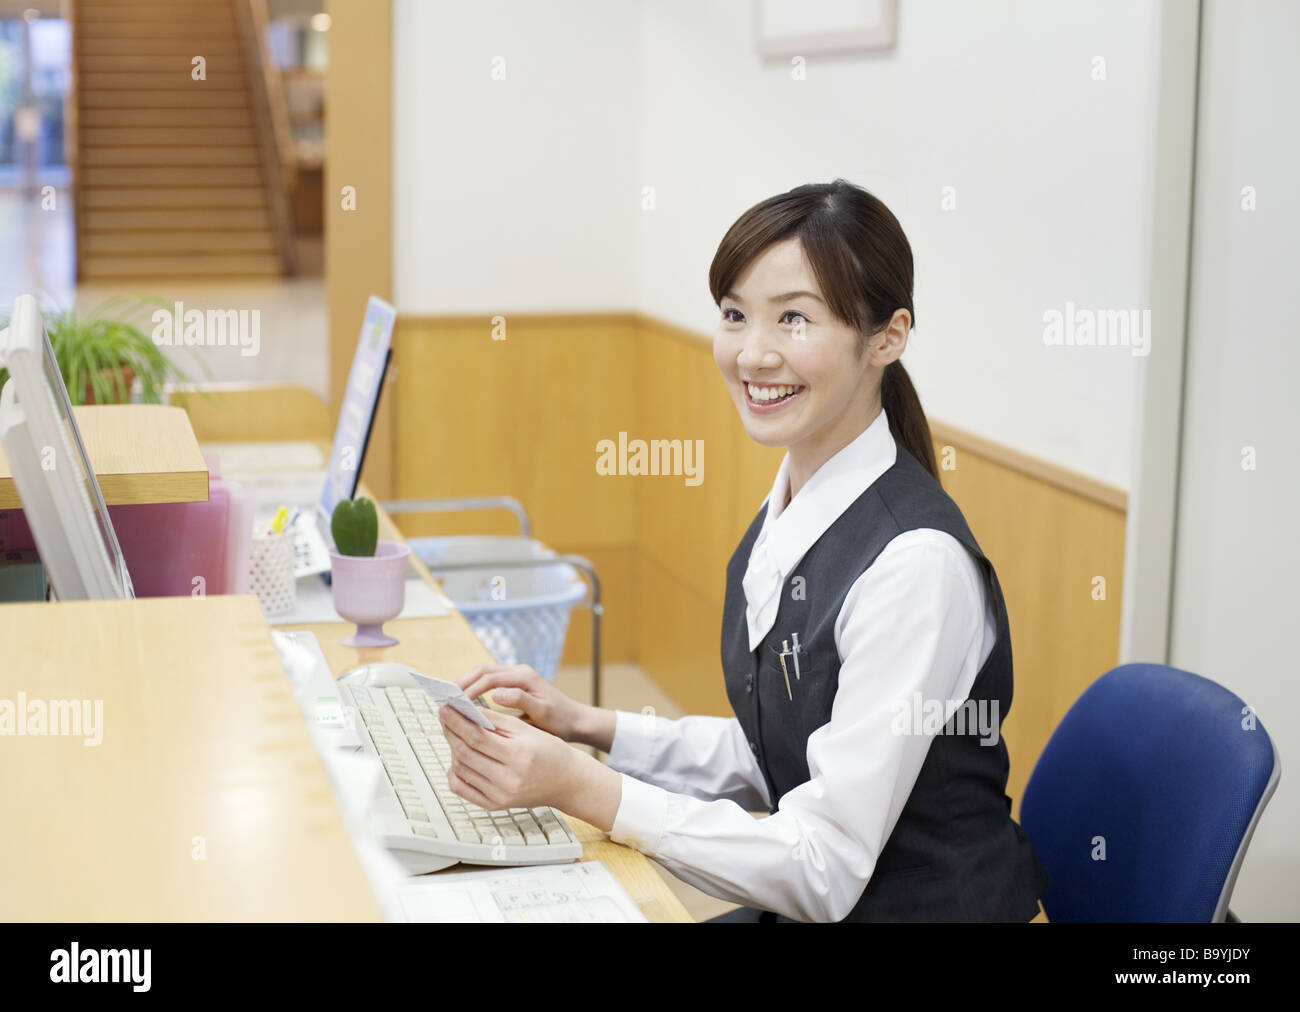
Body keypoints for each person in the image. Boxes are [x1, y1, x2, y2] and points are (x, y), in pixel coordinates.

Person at [438, 178, 1051, 922]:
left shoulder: (916, 567)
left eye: (794, 318)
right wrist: (586, 725)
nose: (753, 354)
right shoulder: (794, 502)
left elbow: (823, 871)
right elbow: (781, 748)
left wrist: (586, 788)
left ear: (886, 337)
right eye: (735, 315)